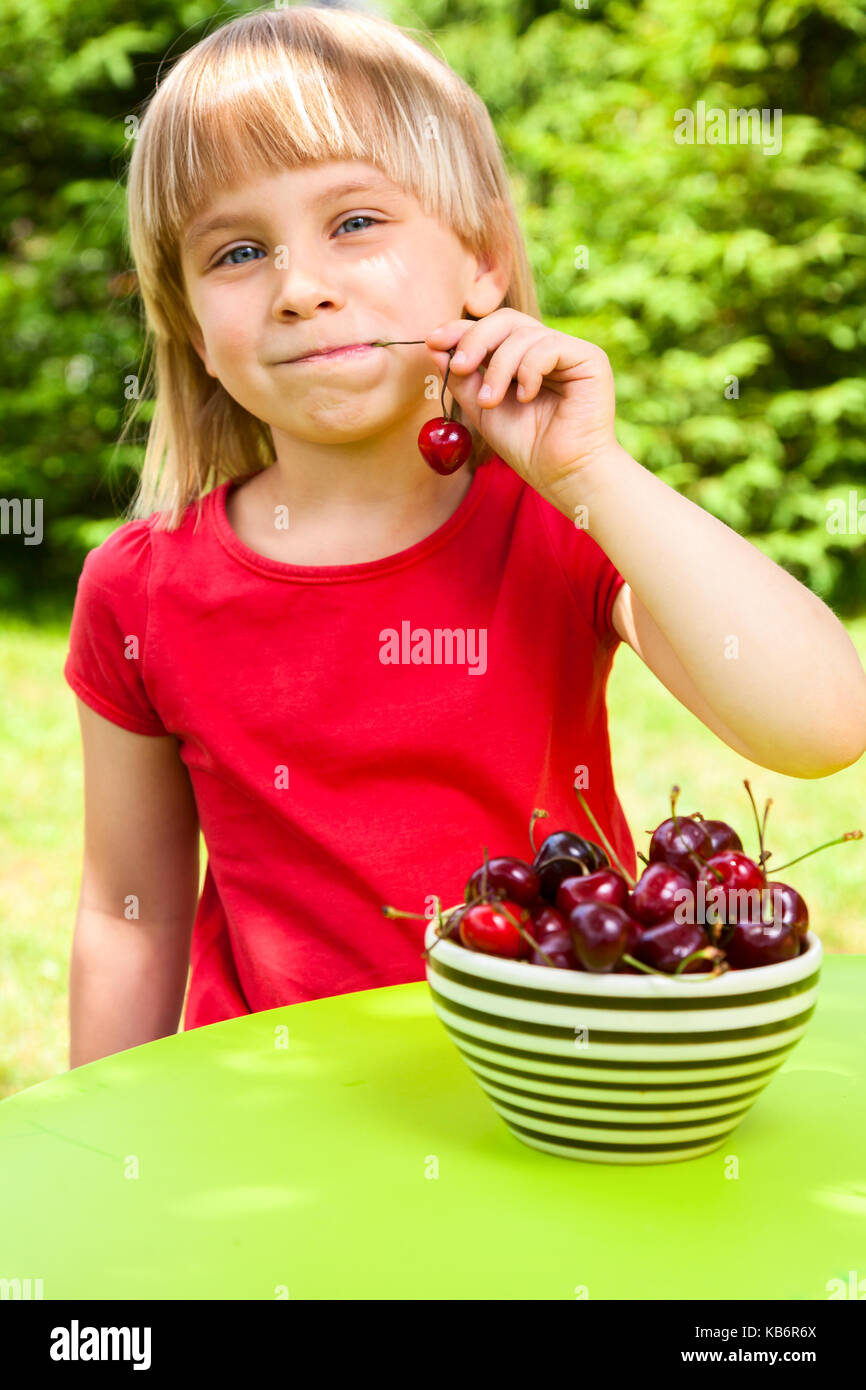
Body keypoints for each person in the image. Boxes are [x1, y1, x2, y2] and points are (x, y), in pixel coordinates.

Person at [64, 5, 866, 1066]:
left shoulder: (559, 525)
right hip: (262, 1120)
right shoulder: (138, 588)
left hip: (552, 1084)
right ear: (193, 329)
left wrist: (591, 474)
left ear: (481, 258)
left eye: (354, 223)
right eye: (239, 251)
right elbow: (132, 913)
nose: (301, 288)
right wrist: (111, 1151)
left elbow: (817, 724)